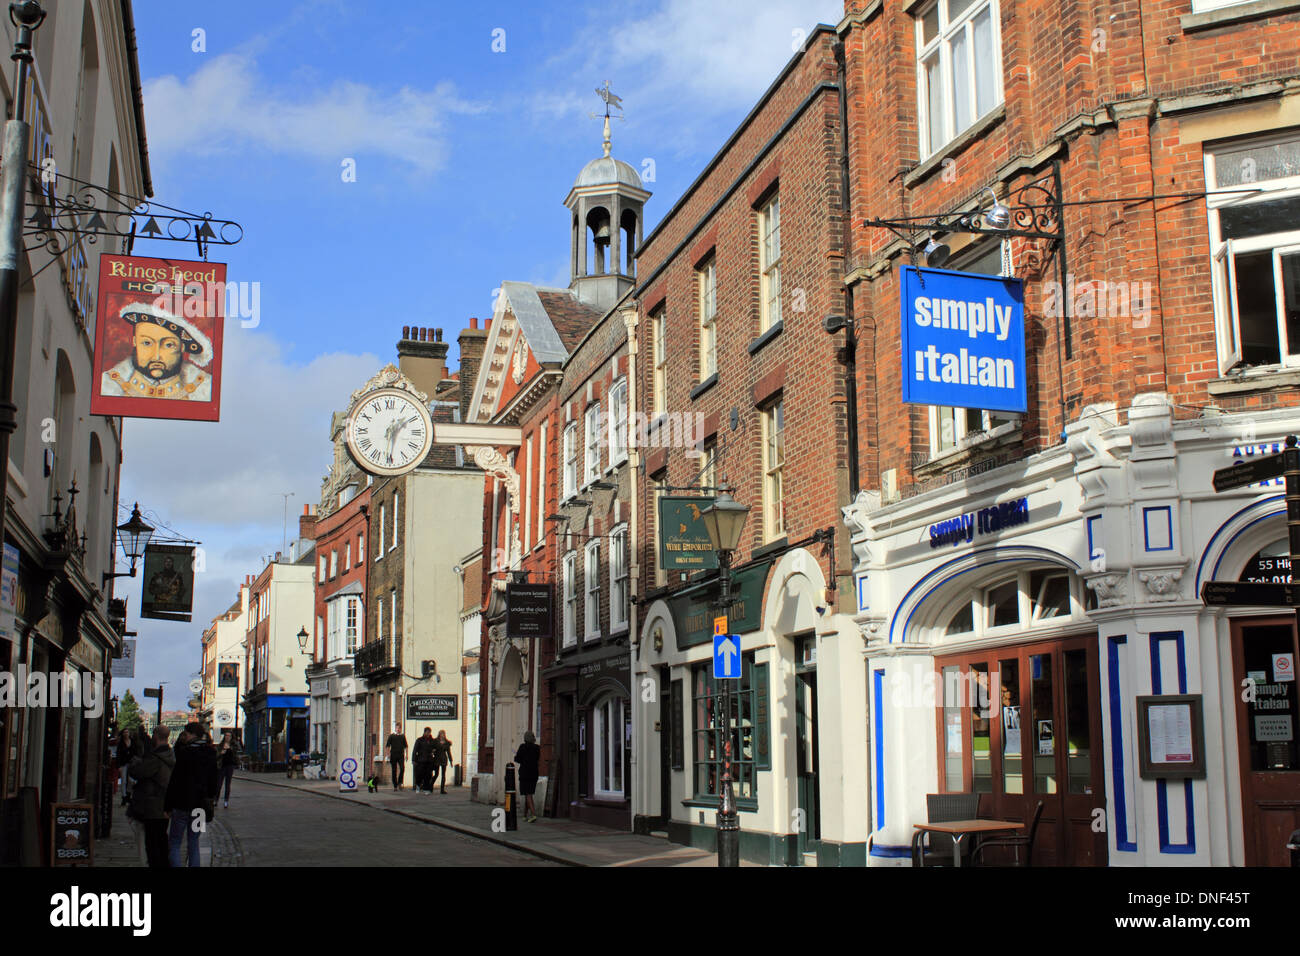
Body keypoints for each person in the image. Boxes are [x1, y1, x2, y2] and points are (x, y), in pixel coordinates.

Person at [99, 302, 213, 401]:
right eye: (147, 343)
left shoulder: (205, 389)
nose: (156, 356)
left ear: (182, 347)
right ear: (134, 341)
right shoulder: (107, 385)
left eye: (169, 345)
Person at [164, 722, 219, 867]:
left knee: (175, 842)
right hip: (200, 807)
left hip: (182, 804)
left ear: (192, 734)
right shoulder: (210, 753)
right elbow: (215, 781)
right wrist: (211, 797)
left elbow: (175, 781)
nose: (185, 736)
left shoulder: (184, 753)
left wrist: (168, 806)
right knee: (194, 842)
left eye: (187, 734)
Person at [128, 726, 175, 868]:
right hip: (165, 805)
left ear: (155, 736)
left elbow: (138, 772)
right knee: (161, 840)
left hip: (152, 805)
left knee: (152, 844)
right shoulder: (171, 754)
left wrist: (135, 762)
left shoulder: (155, 758)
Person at [514, 731, 541, 822]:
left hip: (525, 773)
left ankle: (533, 814)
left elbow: (517, 759)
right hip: (534, 774)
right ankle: (525, 815)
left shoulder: (522, 747)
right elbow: (537, 758)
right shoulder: (537, 748)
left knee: (528, 794)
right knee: (528, 793)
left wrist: (520, 758)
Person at [217, 732, 239, 808]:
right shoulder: (221, 745)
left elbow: (236, 753)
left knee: (227, 784)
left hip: (230, 766)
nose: (227, 737)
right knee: (219, 784)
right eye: (226, 735)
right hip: (222, 766)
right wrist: (222, 752)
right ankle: (215, 800)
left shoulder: (234, 745)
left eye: (229, 736)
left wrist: (229, 748)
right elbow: (217, 755)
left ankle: (226, 801)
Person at [115, 729, 136, 806]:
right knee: (123, 781)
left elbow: (135, 751)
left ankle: (128, 795)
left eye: (127, 732)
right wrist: (119, 766)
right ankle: (124, 797)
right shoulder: (121, 743)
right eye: (125, 732)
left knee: (130, 780)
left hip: (131, 763)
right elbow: (118, 754)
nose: (126, 733)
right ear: (123, 734)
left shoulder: (132, 741)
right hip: (123, 763)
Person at [411, 728, 435, 794]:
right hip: (421, 760)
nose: (428, 734)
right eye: (427, 732)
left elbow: (435, 747)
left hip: (429, 760)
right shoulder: (419, 740)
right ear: (424, 732)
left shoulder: (432, 740)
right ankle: (418, 785)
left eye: (429, 732)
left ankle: (426, 789)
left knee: (428, 775)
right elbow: (415, 750)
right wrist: (413, 759)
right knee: (420, 775)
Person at [431, 729, 454, 794]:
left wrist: (451, 761)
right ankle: (431, 785)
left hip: (443, 758)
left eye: (443, 734)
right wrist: (432, 752)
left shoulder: (447, 743)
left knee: (443, 775)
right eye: (441, 734)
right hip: (437, 758)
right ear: (439, 735)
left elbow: (448, 752)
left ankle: (442, 789)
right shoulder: (435, 741)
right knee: (436, 774)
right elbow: (432, 748)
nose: (442, 736)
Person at [385, 725, 408, 791]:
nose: (398, 729)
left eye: (399, 728)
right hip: (393, 755)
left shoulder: (402, 736)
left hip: (401, 755)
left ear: (401, 729)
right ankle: (395, 785)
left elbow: (406, 746)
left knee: (402, 768)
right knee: (394, 770)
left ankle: (400, 782)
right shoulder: (392, 736)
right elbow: (387, 746)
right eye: (397, 728)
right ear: (395, 728)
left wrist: (407, 755)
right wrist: (388, 754)